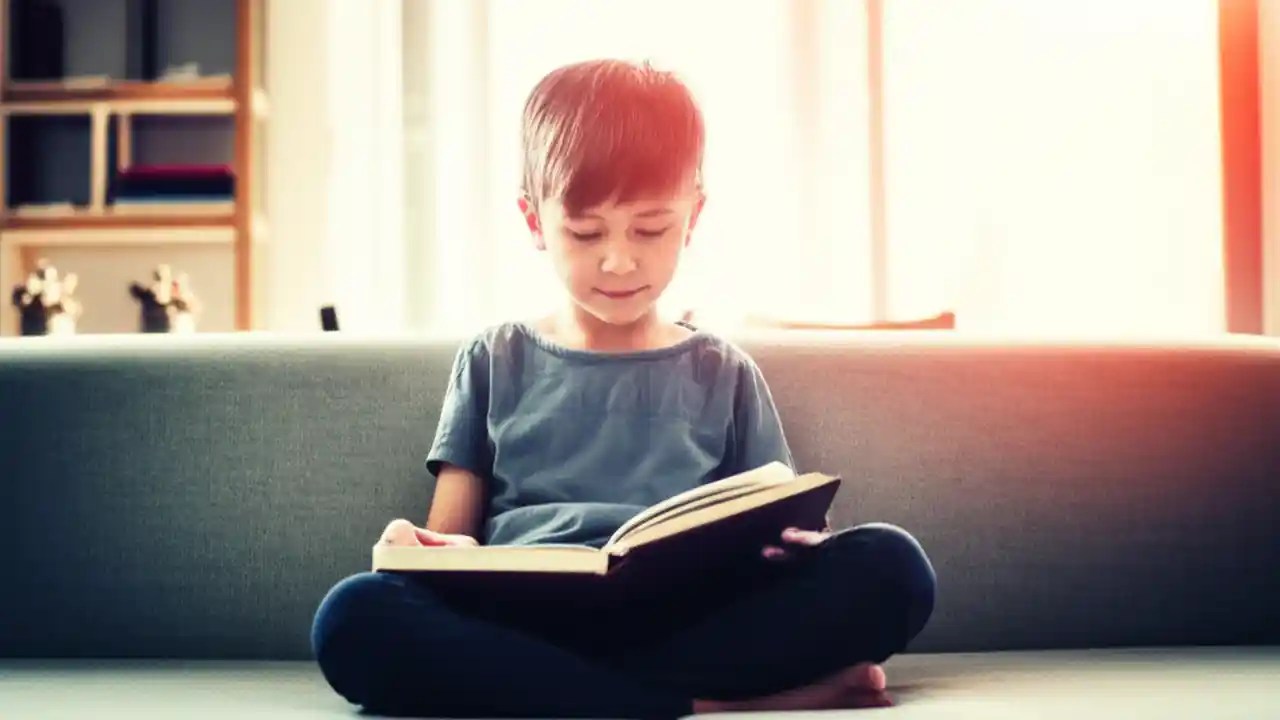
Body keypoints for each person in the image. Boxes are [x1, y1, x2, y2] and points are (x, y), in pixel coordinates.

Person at [311, 58, 935, 719]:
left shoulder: (724, 373)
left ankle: (592, 694)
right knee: (353, 615)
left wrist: (795, 550)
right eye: (585, 233)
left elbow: (778, 527)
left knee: (893, 565)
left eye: (650, 229)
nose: (619, 260)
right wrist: (424, 551)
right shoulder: (493, 360)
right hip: (526, 621)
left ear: (693, 217)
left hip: (689, 620)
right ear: (534, 221)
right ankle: (704, 703)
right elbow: (448, 549)